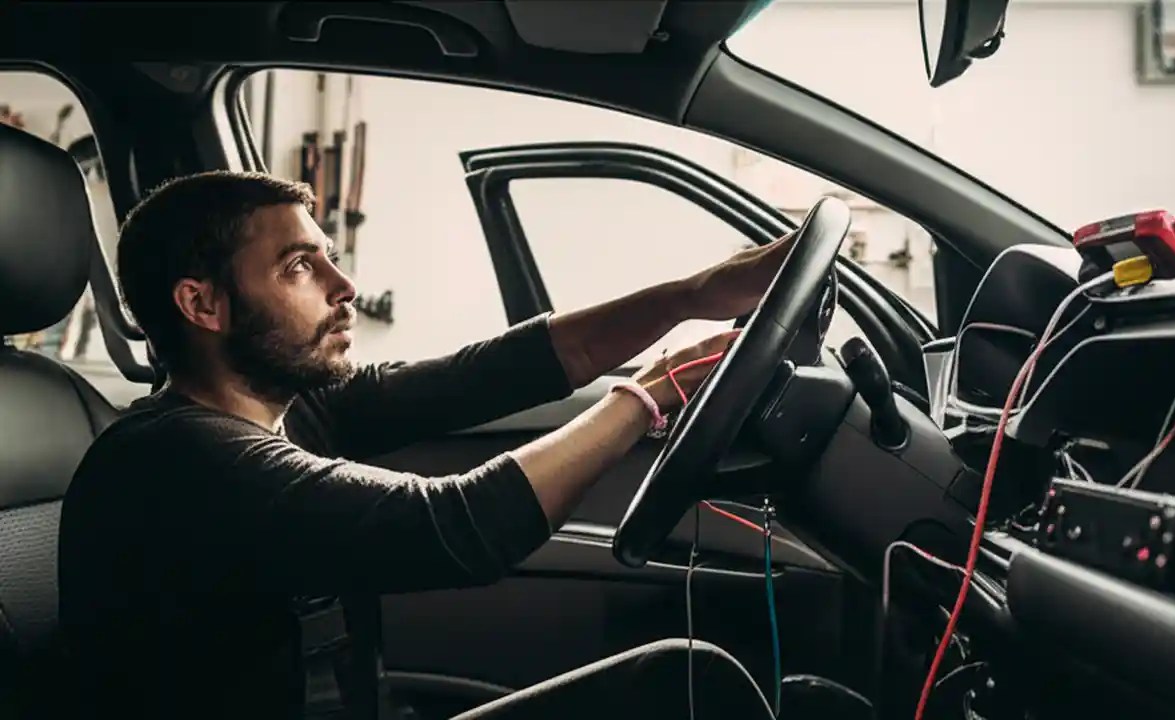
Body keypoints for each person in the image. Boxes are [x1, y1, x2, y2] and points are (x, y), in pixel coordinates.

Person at [58, 171, 792, 719]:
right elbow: (460, 527)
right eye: (299, 268)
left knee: (683, 679)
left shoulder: (295, 408)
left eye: (329, 257)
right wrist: (649, 394)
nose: (343, 285)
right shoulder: (178, 459)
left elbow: (493, 373)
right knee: (688, 684)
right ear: (203, 304)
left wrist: (691, 296)